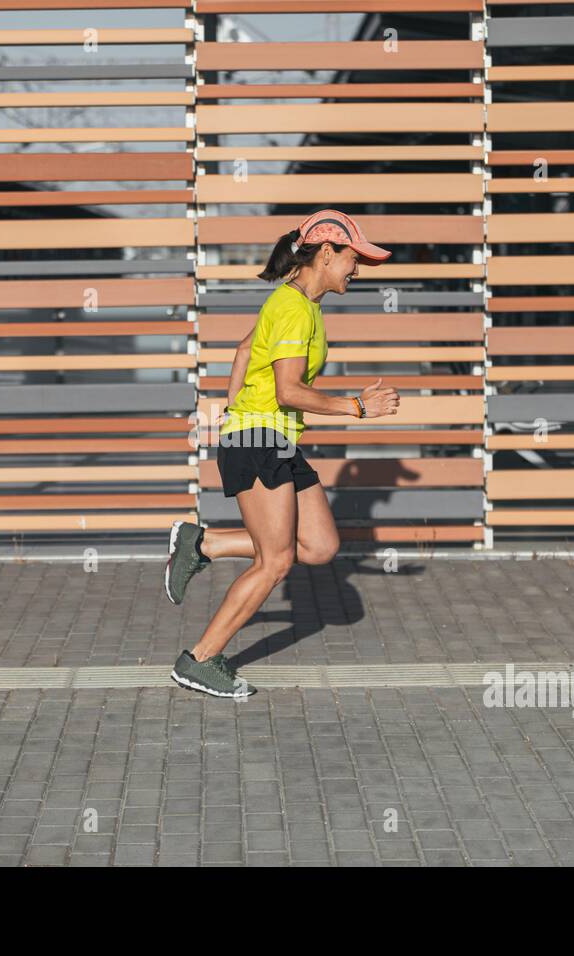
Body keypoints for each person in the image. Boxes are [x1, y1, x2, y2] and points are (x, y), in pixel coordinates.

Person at [166, 209, 400, 697]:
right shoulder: (294, 308)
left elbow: (244, 351)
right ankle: (199, 660)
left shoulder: (296, 303)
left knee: (320, 547)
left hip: (268, 438)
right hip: (259, 442)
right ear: (327, 252)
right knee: (275, 563)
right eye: (354, 260)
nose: (357, 271)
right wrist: (357, 407)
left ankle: (202, 544)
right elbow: (290, 390)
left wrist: (233, 410)